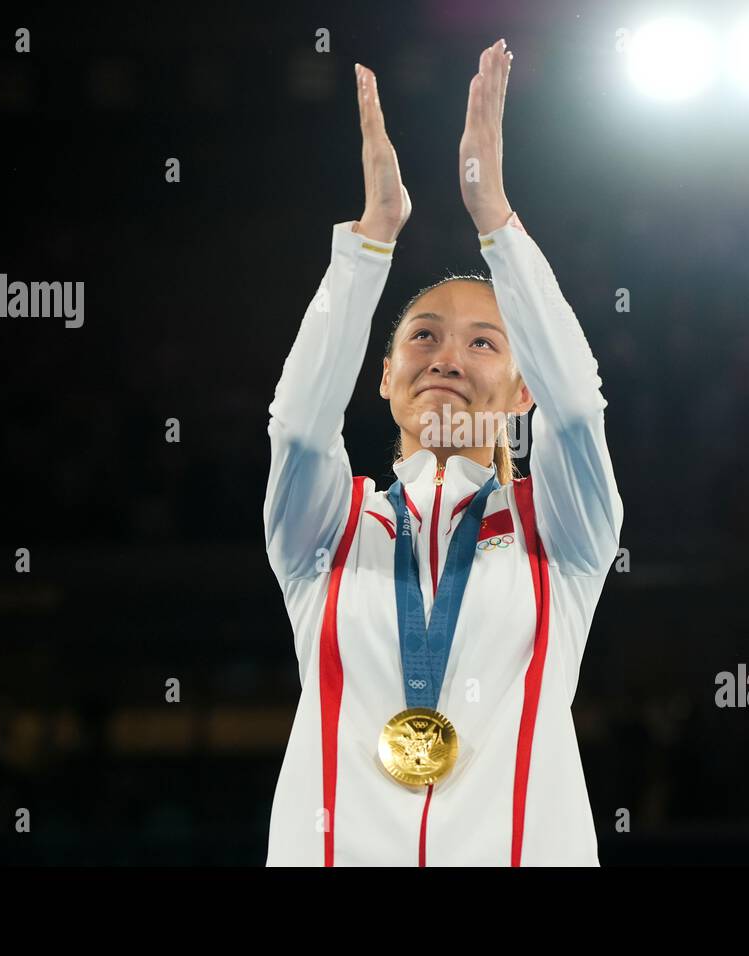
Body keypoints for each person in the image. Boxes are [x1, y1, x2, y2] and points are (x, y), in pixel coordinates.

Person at [264, 39, 623, 866]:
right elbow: (297, 427)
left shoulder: (560, 536)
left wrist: (495, 219)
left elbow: (577, 412)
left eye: (485, 342)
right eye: (423, 336)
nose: (448, 358)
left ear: (522, 388)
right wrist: (370, 245)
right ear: (386, 378)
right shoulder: (329, 530)